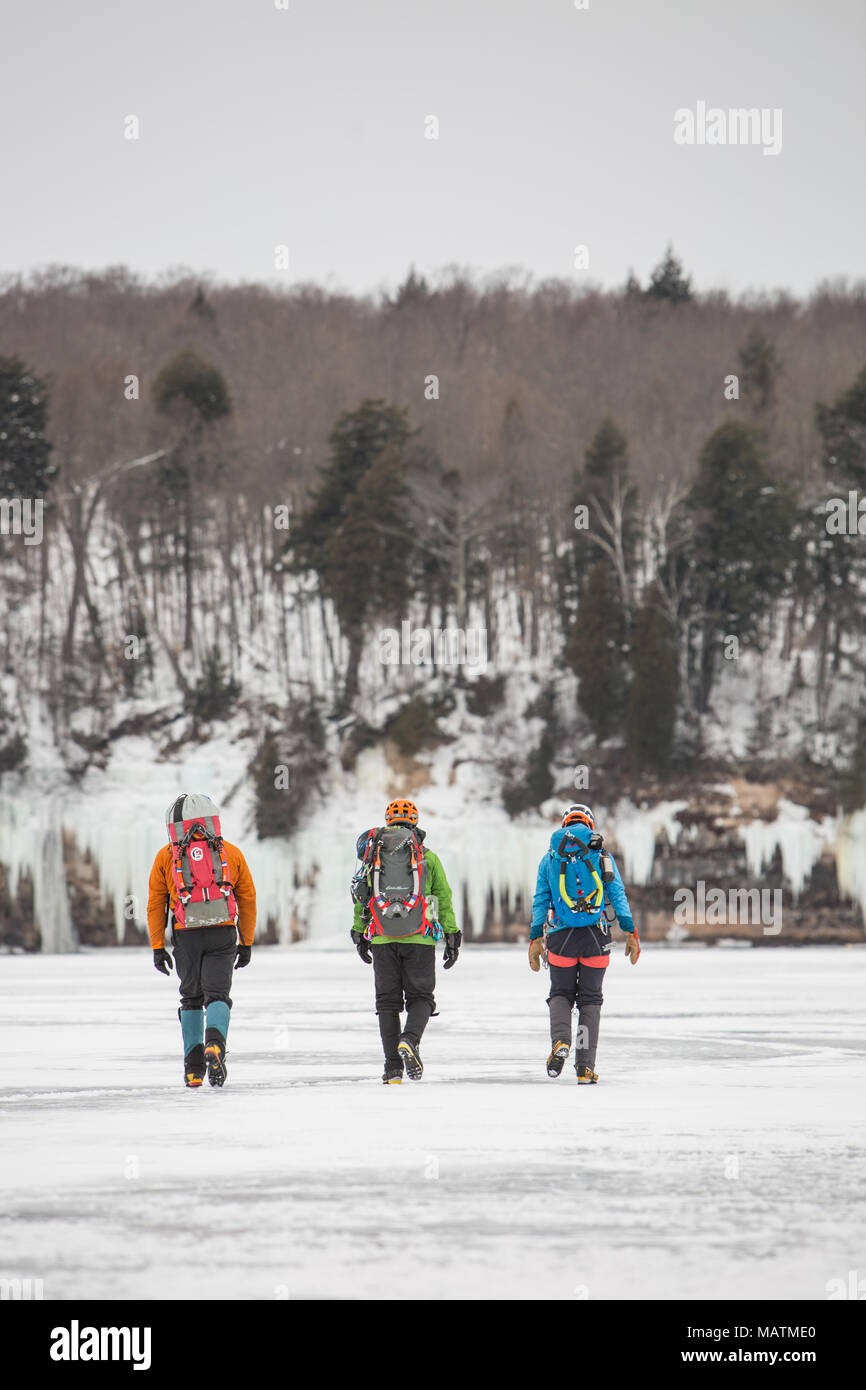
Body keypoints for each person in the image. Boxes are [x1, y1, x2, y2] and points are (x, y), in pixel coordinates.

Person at [147, 793, 256, 1088]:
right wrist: (246, 941)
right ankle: (215, 1045)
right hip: (223, 932)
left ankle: (194, 1069)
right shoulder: (230, 853)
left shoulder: (166, 856)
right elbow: (247, 898)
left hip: (187, 934)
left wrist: (158, 946)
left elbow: (156, 904)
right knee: (217, 996)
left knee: (191, 999)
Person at [351, 798, 461, 1083]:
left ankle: (392, 1069)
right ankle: (410, 1040)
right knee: (421, 997)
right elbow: (443, 898)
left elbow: (361, 894)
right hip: (420, 938)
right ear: (415, 823)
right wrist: (451, 934)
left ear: (387, 822)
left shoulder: (373, 855)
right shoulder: (428, 857)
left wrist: (359, 932)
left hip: (383, 938)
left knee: (387, 1002)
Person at [528, 803, 639, 1084]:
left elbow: (541, 899)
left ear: (564, 825)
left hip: (560, 936)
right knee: (590, 998)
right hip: (595, 936)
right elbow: (617, 894)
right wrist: (630, 930)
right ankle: (584, 1068)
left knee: (561, 993)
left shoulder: (550, 858)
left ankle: (561, 1040)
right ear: (590, 825)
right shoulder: (601, 854)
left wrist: (535, 938)